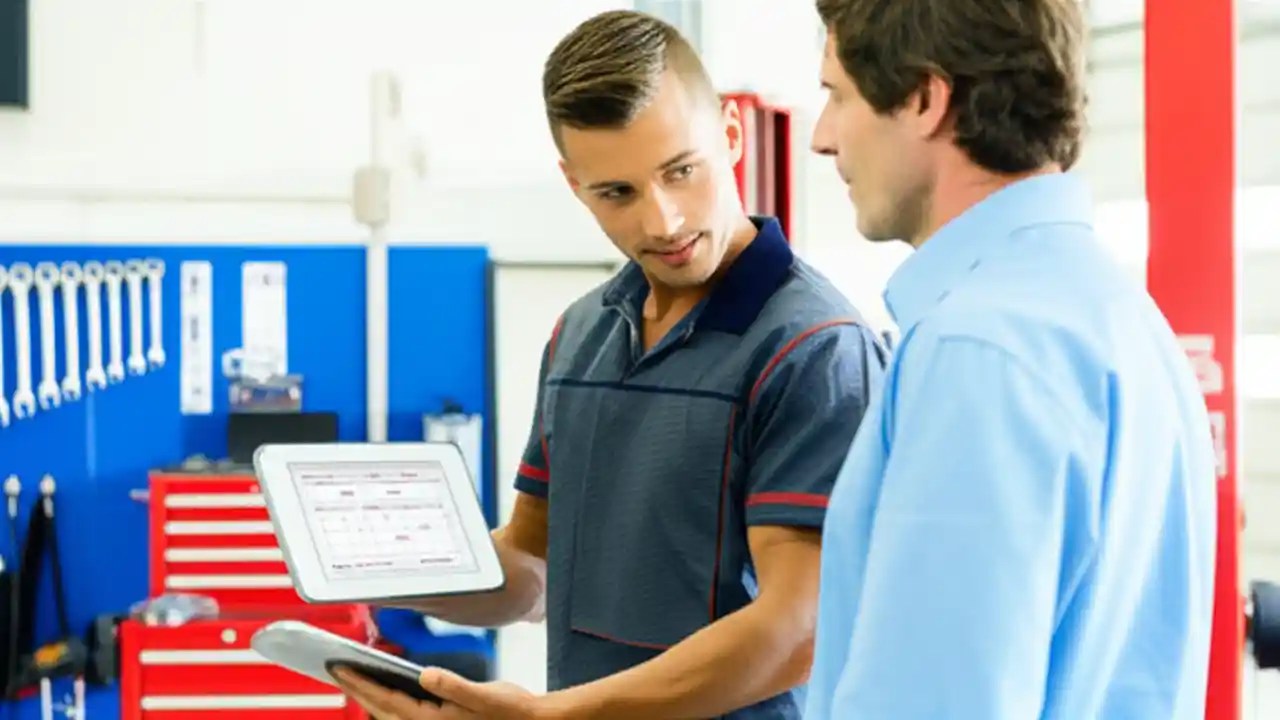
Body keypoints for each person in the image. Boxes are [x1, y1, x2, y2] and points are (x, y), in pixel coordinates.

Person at [333, 9, 887, 720]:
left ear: (730, 136)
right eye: (617, 193)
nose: (663, 220)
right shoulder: (580, 333)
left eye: (681, 171)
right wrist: (363, 569)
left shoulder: (815, 347)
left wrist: (558, 714)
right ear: (575, 184)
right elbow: (531, 568)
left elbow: (797, 630)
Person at [803, 1, 1218, 718]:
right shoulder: (1120, 316)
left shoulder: (979, 351)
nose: (822, 137)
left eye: (838, 96)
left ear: (925, 99)